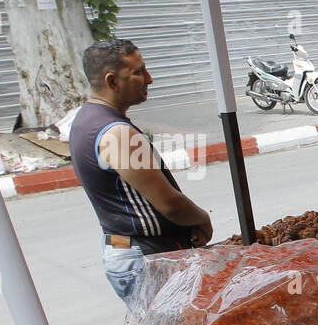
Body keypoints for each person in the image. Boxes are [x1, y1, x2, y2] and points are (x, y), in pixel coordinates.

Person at [69, 39, 211, 303]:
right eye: (138, 72)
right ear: (112, 81)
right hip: (144, 259)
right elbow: (170, 204)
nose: (149, 79)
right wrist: (201, 217)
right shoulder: (117, 134)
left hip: (132, 252)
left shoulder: (86, 121)